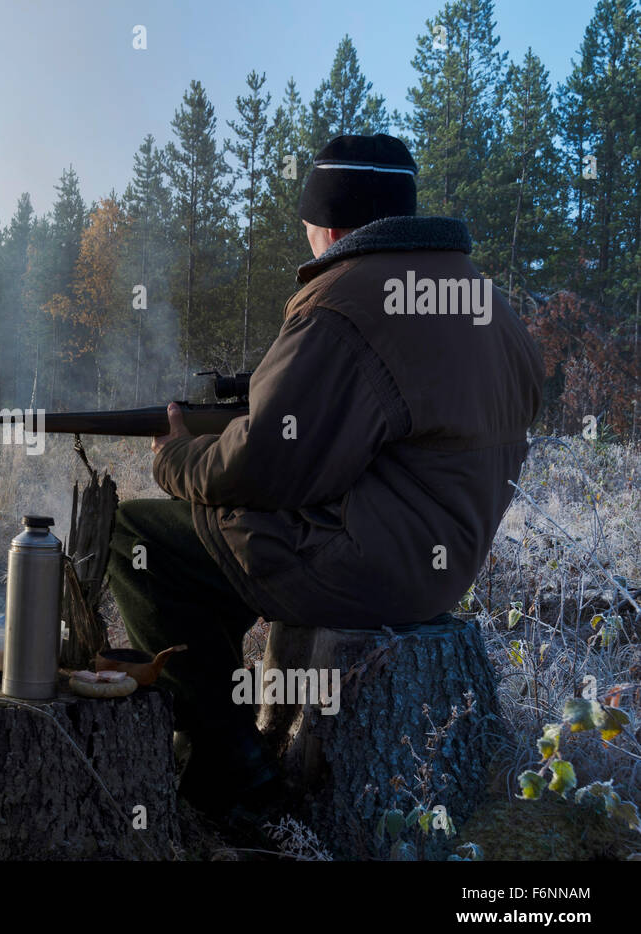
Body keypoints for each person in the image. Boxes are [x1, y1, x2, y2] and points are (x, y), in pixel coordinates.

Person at [105, 133, 544, 816]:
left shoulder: (344, 301)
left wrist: (176, 457)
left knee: (137, 537)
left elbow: (265, 465)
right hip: (443, 563)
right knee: (213, 552)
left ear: (334, 224)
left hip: (371, 565)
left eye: (309, 225)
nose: (308, 239)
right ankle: (246, 723)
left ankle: (234, 775)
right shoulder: (485, 301)